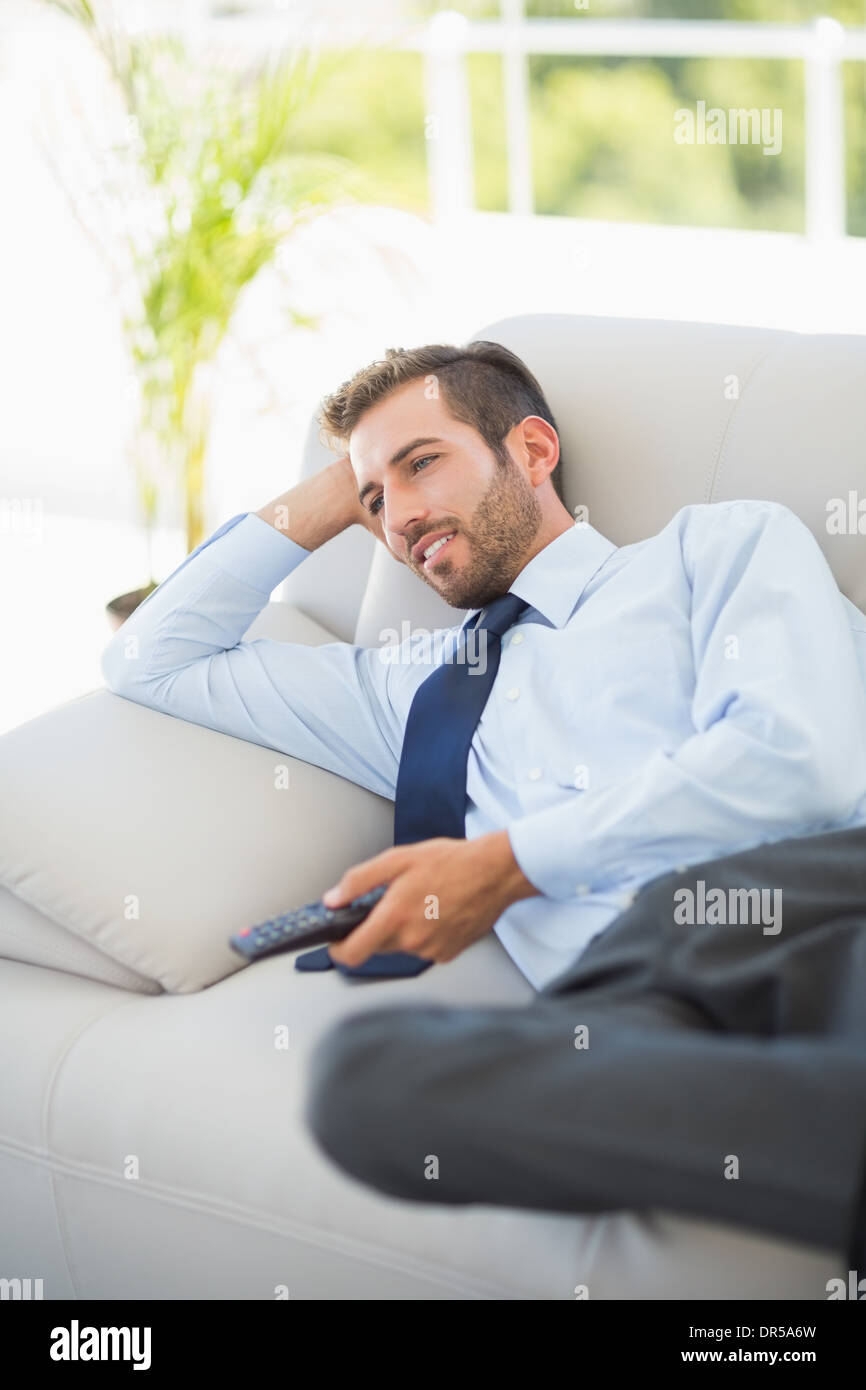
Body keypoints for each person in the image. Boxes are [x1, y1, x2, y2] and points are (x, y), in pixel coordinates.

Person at [101, 340, 866, 1281]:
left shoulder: (718, 548)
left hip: (816, 911)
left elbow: (797, 765)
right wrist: (338, 490)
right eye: (377, 502)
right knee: (364, 1085)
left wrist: (507, 868)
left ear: (535, 452)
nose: (401, 518)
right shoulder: (407, 690)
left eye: (424, 462)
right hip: (630, 1004)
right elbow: (152, 660)